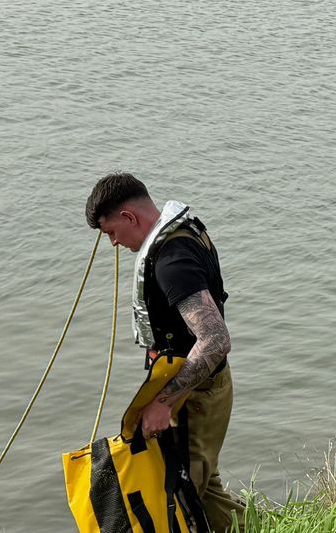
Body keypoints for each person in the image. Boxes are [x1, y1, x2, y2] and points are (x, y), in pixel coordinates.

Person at [86, 173, 245, 531]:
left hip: (197, 394)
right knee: (202, 482)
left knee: (185, 488)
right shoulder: (183, 233)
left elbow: (215, 339)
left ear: (129, 217)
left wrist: (164, 403)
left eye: (111, 231)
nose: (112, 242)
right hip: (203, 385)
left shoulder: (171, 261)